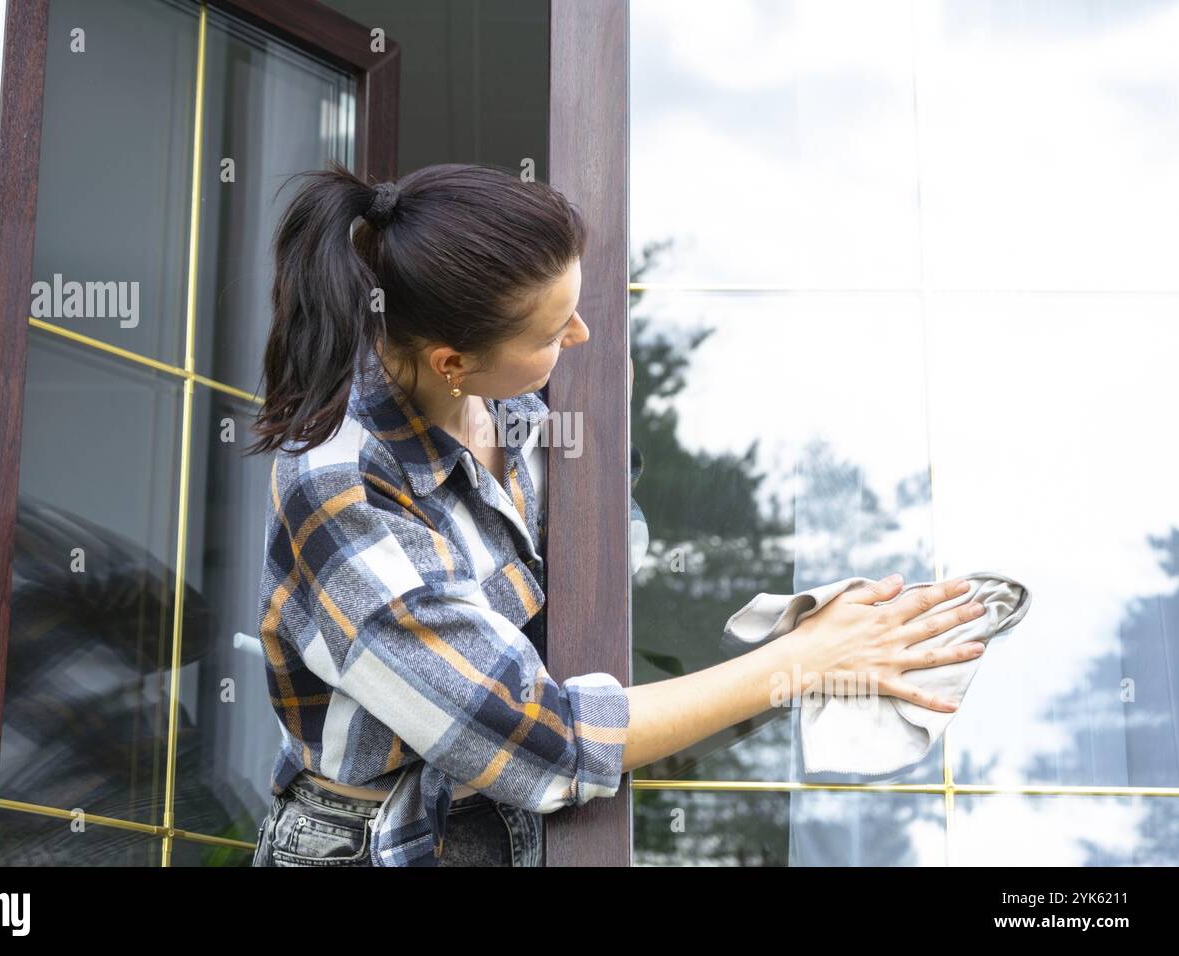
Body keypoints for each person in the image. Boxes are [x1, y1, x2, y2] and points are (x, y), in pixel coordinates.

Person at [245, 161, 990, 867]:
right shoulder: (342, 486)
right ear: (452, 362)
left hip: (518, 819)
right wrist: (799, 664)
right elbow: (542, 740)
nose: (581, 338)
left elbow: (597, 568)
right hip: (391, 839)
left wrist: (815, 630)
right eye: (550, 332)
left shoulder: (510, 399)